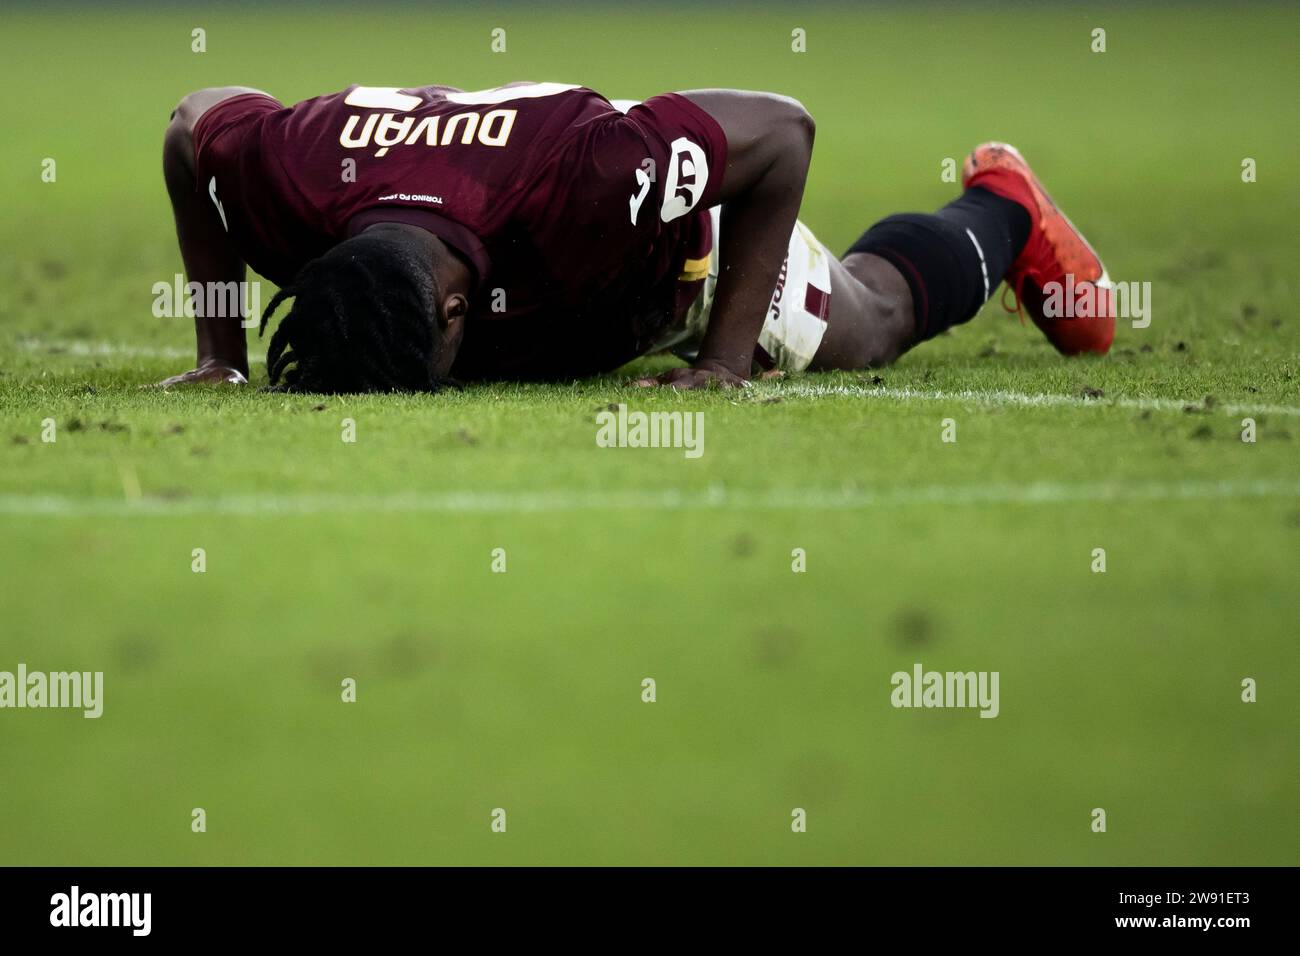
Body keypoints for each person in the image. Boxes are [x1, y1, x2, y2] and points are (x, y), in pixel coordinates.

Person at [159, 82, 1114, 393]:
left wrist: (727, 363)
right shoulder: (282, 181)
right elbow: (188, 124)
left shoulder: (596, 180)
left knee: (871, 323)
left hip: (662, 255)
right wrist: (220, 355)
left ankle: (1006, 205)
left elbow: (783, 131)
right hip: (502, 233)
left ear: (458, 313)